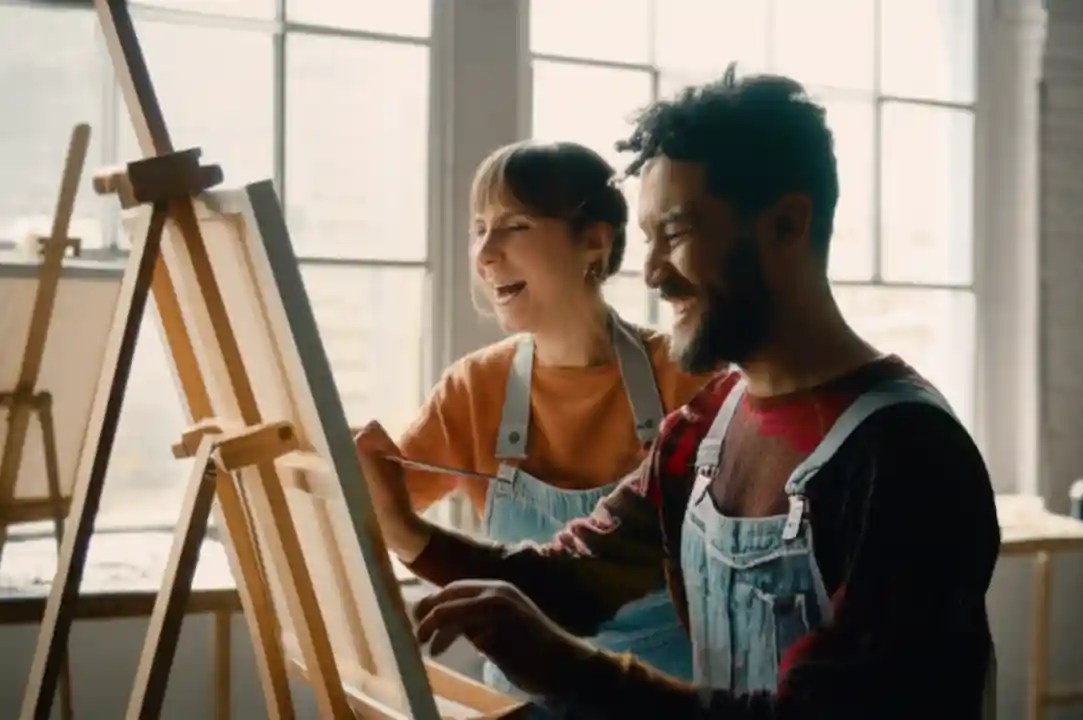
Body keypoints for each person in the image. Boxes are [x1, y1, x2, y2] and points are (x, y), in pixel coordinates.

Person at [357, 67, 1000, 718]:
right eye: (649, 241)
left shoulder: (907, 454)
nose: (655, 273)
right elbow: (574, 578)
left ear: (787, 225)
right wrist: (406, 533)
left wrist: (574, 671)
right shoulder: (703, 425)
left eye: (680, 234)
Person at [382, 140, 711, 698]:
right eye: (478, 228)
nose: (485, 253)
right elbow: (366, 518)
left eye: (513, 226)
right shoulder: (473, 389)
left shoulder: (691, 383)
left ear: (594, 242)